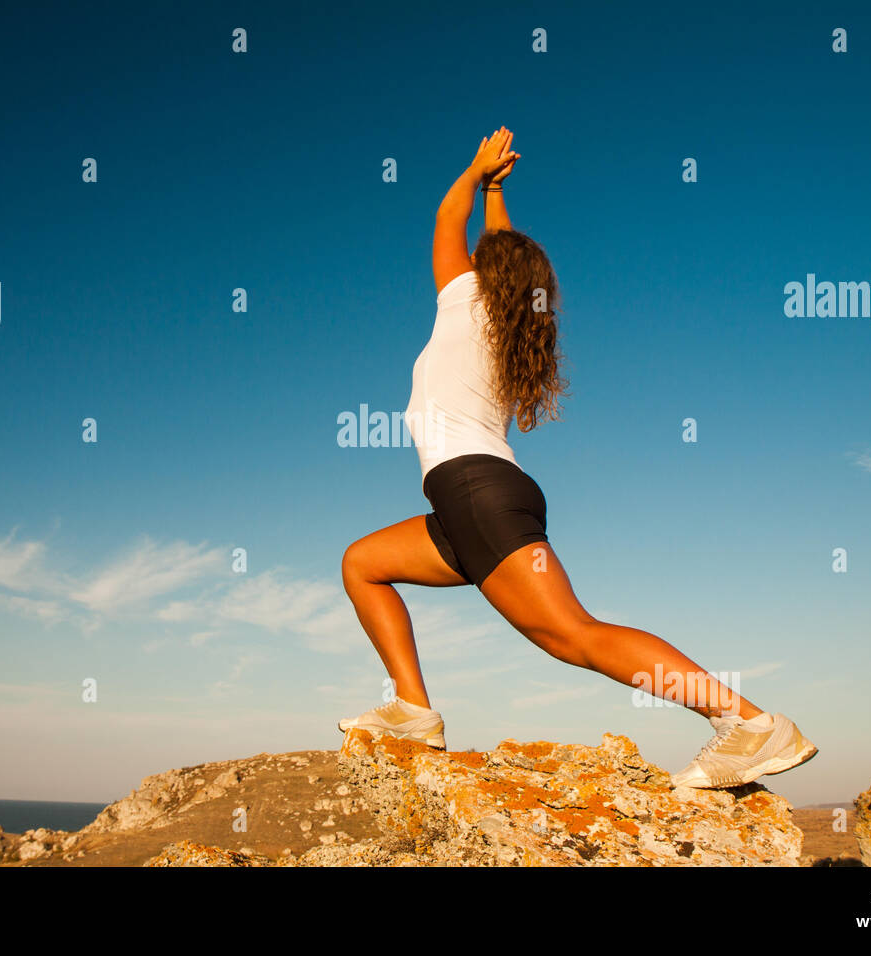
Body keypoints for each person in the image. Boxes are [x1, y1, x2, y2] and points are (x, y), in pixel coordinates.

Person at [338, 127, 816, 789]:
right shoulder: (507, 325)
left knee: (574, 635)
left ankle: (751, 724)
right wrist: (499, 191)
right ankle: (414, 711)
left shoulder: (465, 300)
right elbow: (497, 248)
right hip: (471, 498)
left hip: (474, 489)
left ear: (488, 276)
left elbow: (448, 222)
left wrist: (474, 175)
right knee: (363, 564)